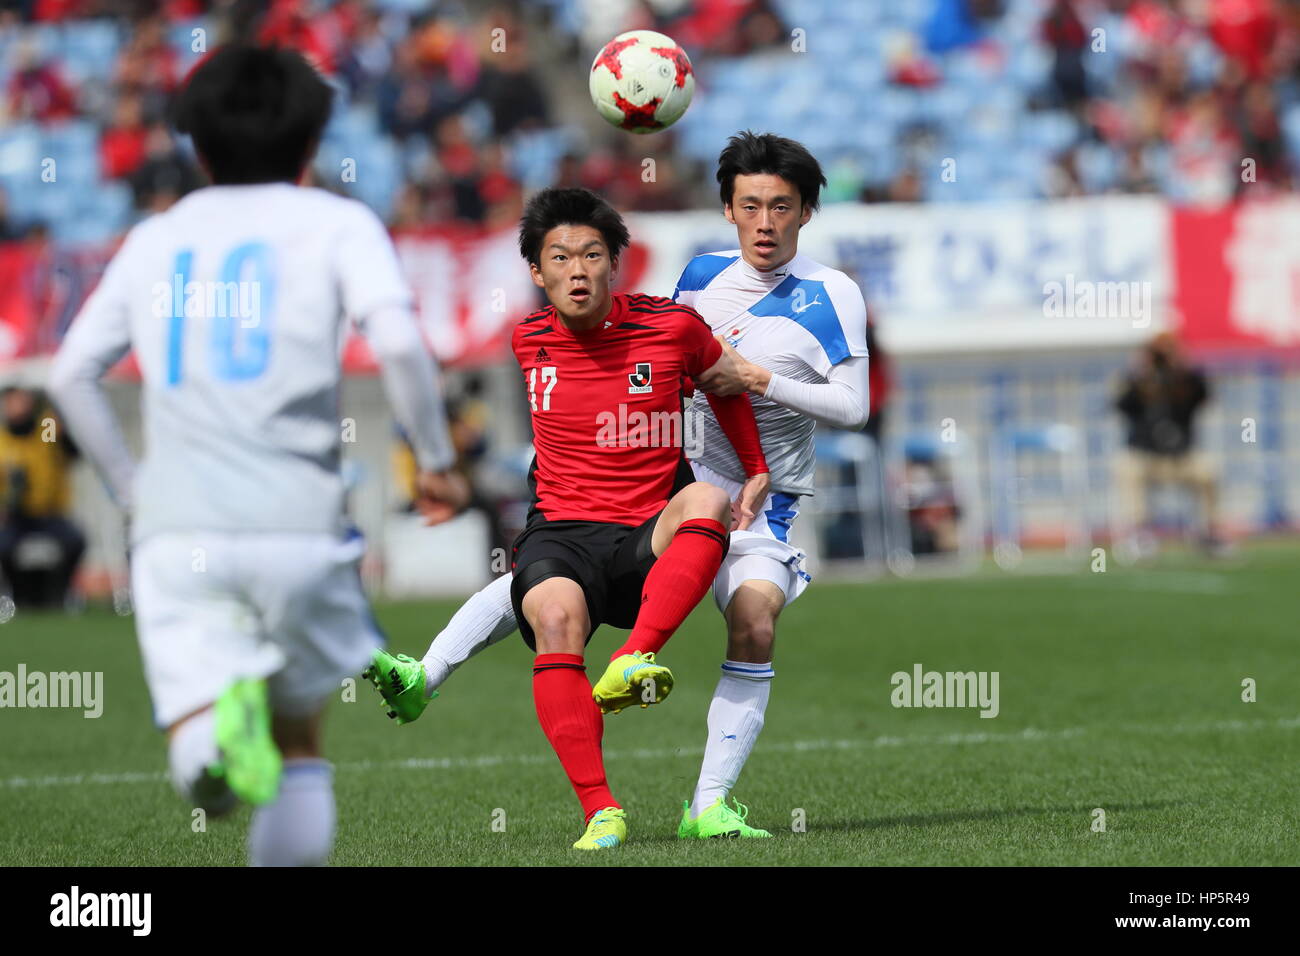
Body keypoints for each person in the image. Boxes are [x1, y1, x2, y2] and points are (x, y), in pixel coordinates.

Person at [367, 133, 871, 841]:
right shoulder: (694, 279)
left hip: (756, 500)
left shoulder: (835, 292)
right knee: (545, 592)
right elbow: (668, 357)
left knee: (754, 622)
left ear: (806, 213)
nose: (764, 222)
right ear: (727, 209)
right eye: (750, 205)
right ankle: (440, 678)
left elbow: (850, 406)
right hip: (675, 485)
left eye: (780, 207)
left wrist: (759, 391)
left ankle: (709, 802)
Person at [48, 45, 466, 867]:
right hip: (299, 524)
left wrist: (135, 491)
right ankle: (228, 738)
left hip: (179, 529)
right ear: (312, 144)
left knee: (202, 733)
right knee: (301, 743)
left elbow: (71, 374)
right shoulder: (339, 224)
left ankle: (208, 743)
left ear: (195, 147)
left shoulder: (154, 241)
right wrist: (438, 457)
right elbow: (402, 346)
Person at [1114, 331, 1223, 558]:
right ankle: (1140, 533)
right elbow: (1121, 404)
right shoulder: (1137, 381)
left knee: (1208, 470)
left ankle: (1209, 532)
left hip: (1181, 456)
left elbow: (1204, 394)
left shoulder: (1188, 380)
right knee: (1128, 469)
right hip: (1147, 455)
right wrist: (1143, 374)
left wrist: (1180, 368)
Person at [0, 387, 85, 608]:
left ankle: (60, 594)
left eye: (21, 399)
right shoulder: (2, 439)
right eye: (12, 401)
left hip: (50, 514)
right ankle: (16, 596)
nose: (18, 405)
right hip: (17, 517)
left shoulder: (44, 429)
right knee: (5, 546)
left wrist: (56, 419)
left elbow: (59, 449)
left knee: (75, 541)